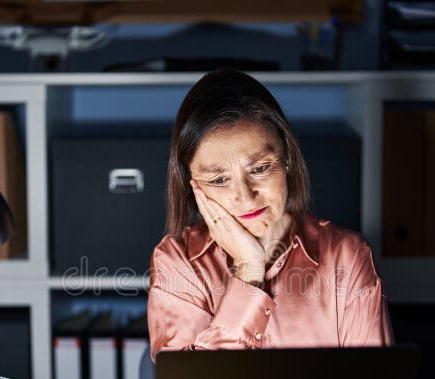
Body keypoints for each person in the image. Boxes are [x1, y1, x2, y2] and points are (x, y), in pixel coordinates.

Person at [147, 70, 392, 360]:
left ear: (287, 159)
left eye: (261, 168)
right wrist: (248, 272)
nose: (245, 196)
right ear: (193, 186)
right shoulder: (177, 261)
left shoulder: (346, 255)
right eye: (219, 180)